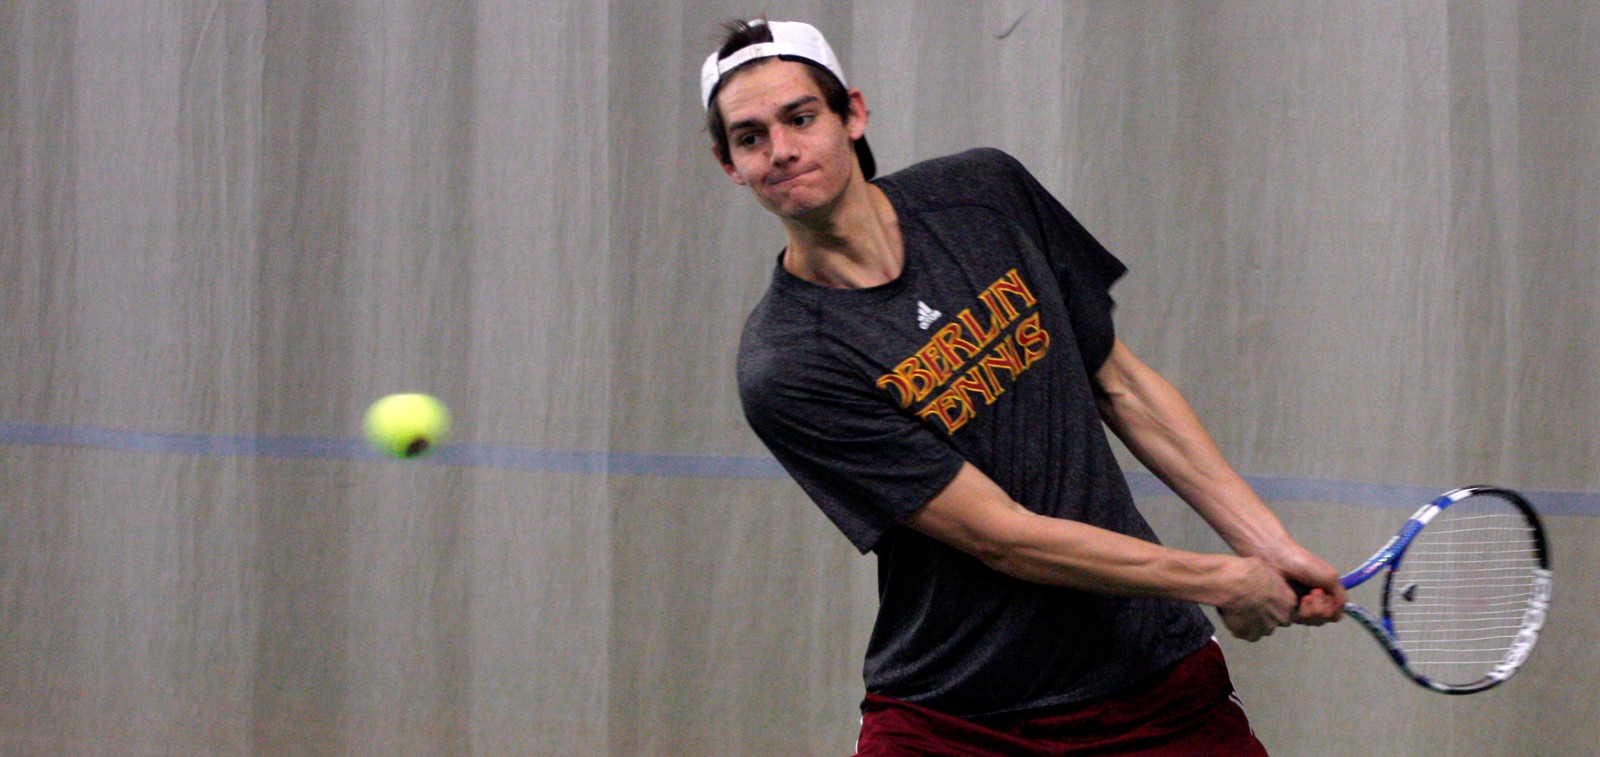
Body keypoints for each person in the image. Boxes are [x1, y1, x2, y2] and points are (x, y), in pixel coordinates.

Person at [702, 18, 1346, 755]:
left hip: (1153, 686)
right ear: (730, 165)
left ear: (853, 113)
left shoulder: (985, 195)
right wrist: (1220, 579)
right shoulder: (788, 363)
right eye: (750, 137)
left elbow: (1122, 385)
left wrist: (1266, 542)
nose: (781, 150)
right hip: (955, 720)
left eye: (801, 117)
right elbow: (1000, 534)